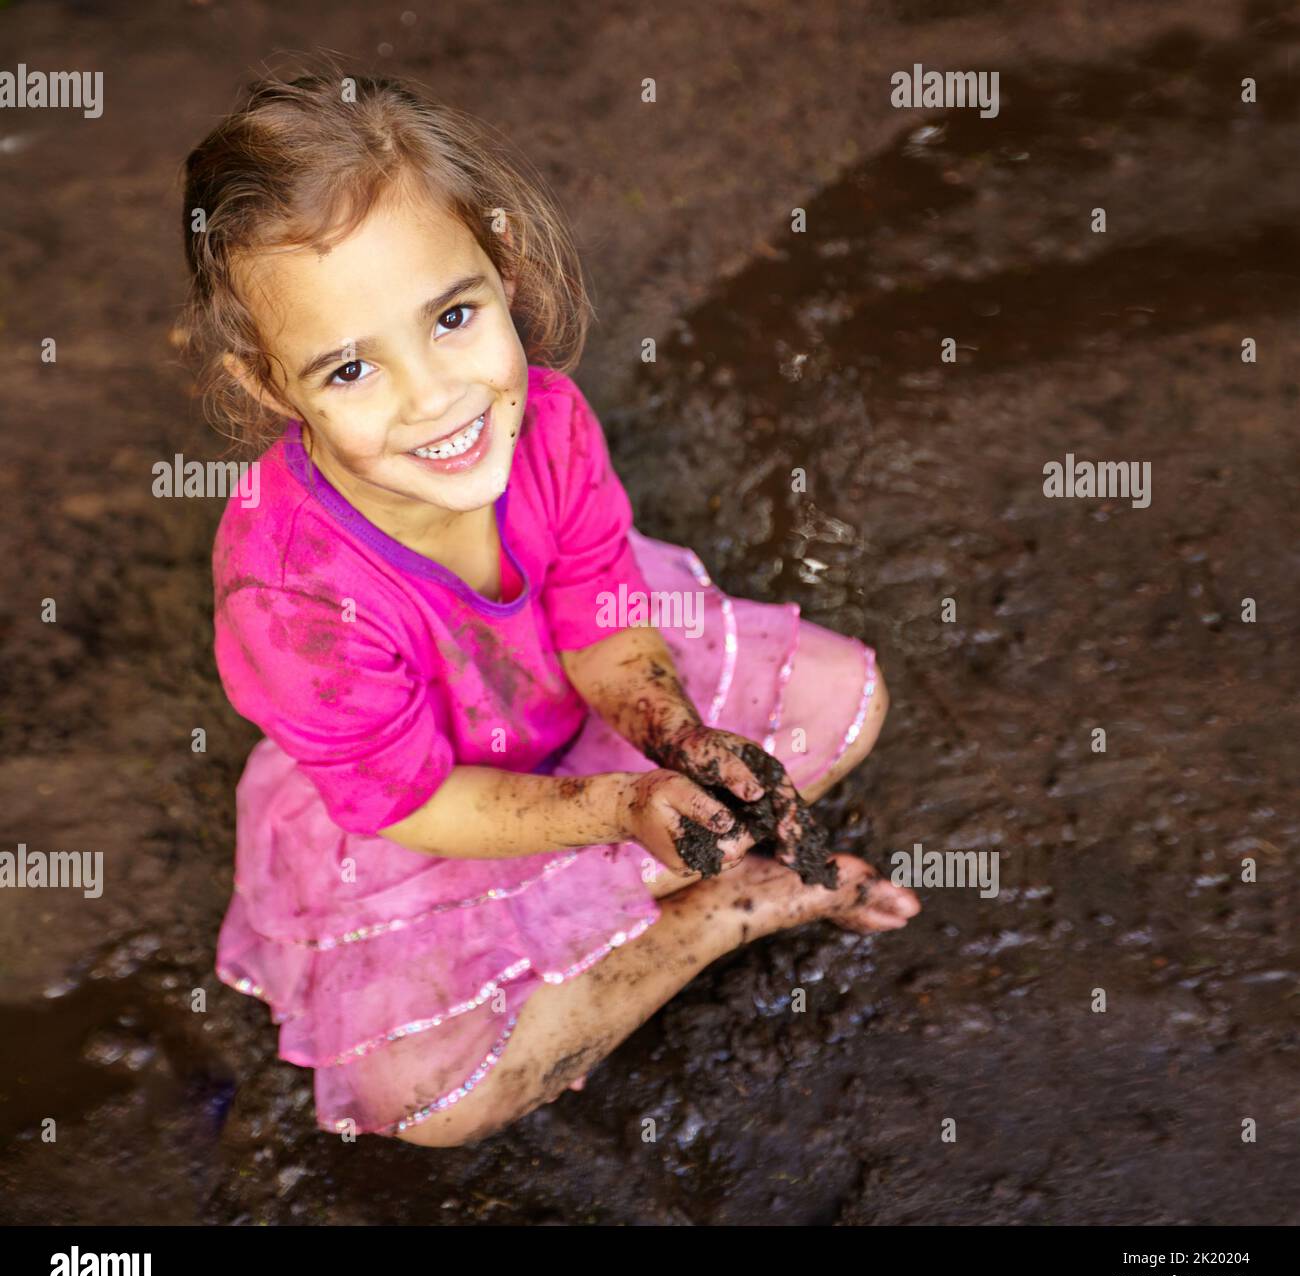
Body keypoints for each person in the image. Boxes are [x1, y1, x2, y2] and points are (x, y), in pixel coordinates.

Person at [177, 62, 920, 1148]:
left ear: (502, 266)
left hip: (581, 723)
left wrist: (676, 736)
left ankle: (651, 875)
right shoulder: (288, 590)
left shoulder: (552, 423)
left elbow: (605, 614)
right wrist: (623, 810)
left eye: (453, 315)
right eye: (348, 370)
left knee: (845, 699)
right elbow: (415, 798)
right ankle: (722, 911)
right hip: (434, 818)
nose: (434, 396)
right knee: (426, 1106)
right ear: (268, 386)